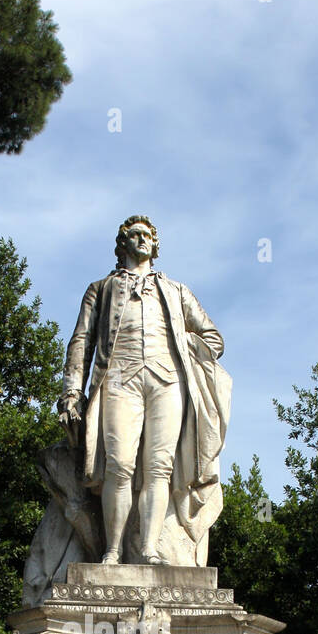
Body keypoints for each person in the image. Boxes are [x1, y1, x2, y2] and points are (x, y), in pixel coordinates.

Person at [58, 215, 230, 568]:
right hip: (119, 378)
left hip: (167, 381)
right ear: (123, 245)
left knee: (159, 468)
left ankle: (150, 551)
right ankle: (113, 551)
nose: (143, 240)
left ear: (155, 244)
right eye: (135, 235)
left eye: (149, 236)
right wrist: (72, 392)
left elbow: (214, 339)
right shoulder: (100, 288)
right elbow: (81, 340)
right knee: (119, 466)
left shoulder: (176, 290)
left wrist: (180, 343)